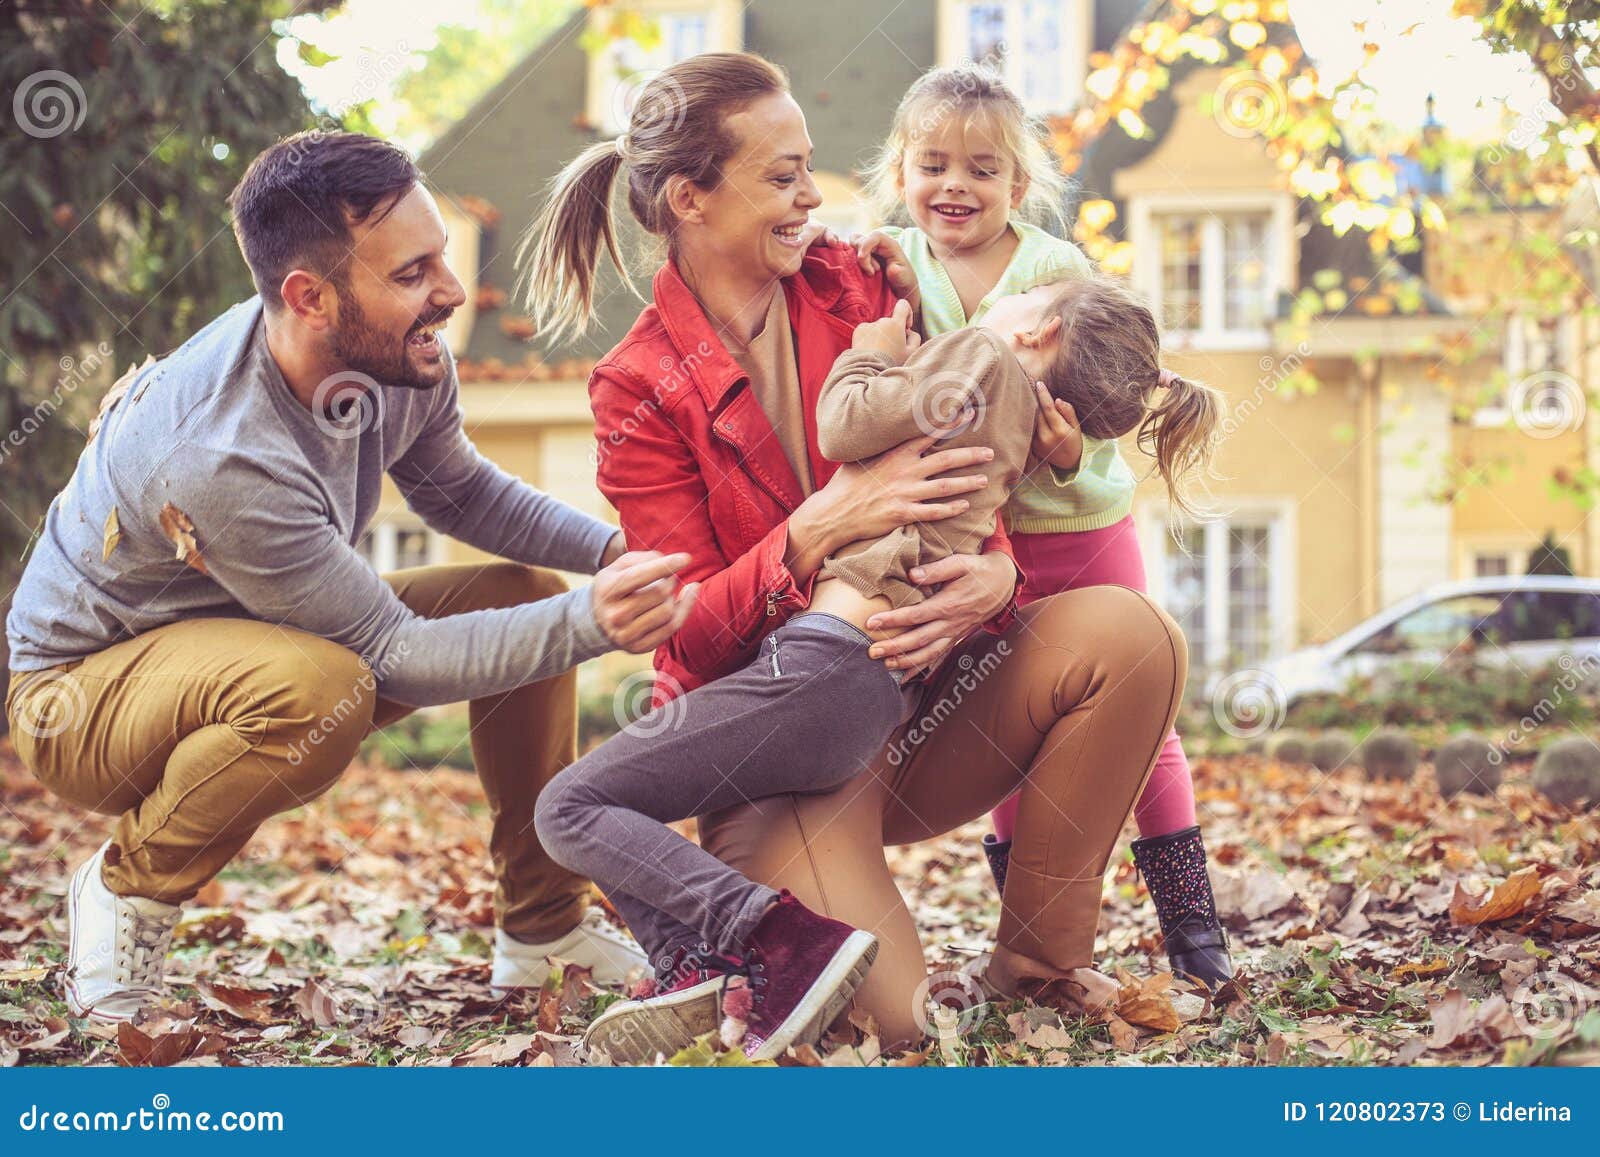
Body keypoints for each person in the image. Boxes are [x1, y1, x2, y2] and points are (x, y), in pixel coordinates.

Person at [519, 51, 1188, 1051]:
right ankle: (736, 952)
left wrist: (997, 574)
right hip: (785, 750)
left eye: (808, 169)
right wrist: (816, 529)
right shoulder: (639, 385)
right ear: (691, 199)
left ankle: (1038, 967)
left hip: (925, 697)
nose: (811, 196)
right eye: (783, 176)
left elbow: (974, 451)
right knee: (893, 1022)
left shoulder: (864, 281)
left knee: (1135, 636)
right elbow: (690, 636)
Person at [4, 131, 696, 1023]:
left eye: (440, 256)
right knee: (321, 685)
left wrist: (612, 552)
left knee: (517, 594)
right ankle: (124, 889)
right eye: (413, 273)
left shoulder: (395, 349)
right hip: (80, 698)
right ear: (310, 297)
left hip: (244, 639)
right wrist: (596, 622)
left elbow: (459, 491)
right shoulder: (221, 452)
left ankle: (543, 926)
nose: (450, 291)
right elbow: (392, 653)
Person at [852, 63, 1235, 986]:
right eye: (933, 165)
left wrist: (1071, 455)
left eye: (981, 170)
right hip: (994, 542)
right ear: (901, 171)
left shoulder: (1050, 270)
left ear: (1018, 184)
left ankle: (1193, 927)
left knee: (1144, 715)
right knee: (1011, 728)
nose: (955, 186)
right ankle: (1027, 927)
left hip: (1082, 523)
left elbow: (1106, 386)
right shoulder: (895, 266)